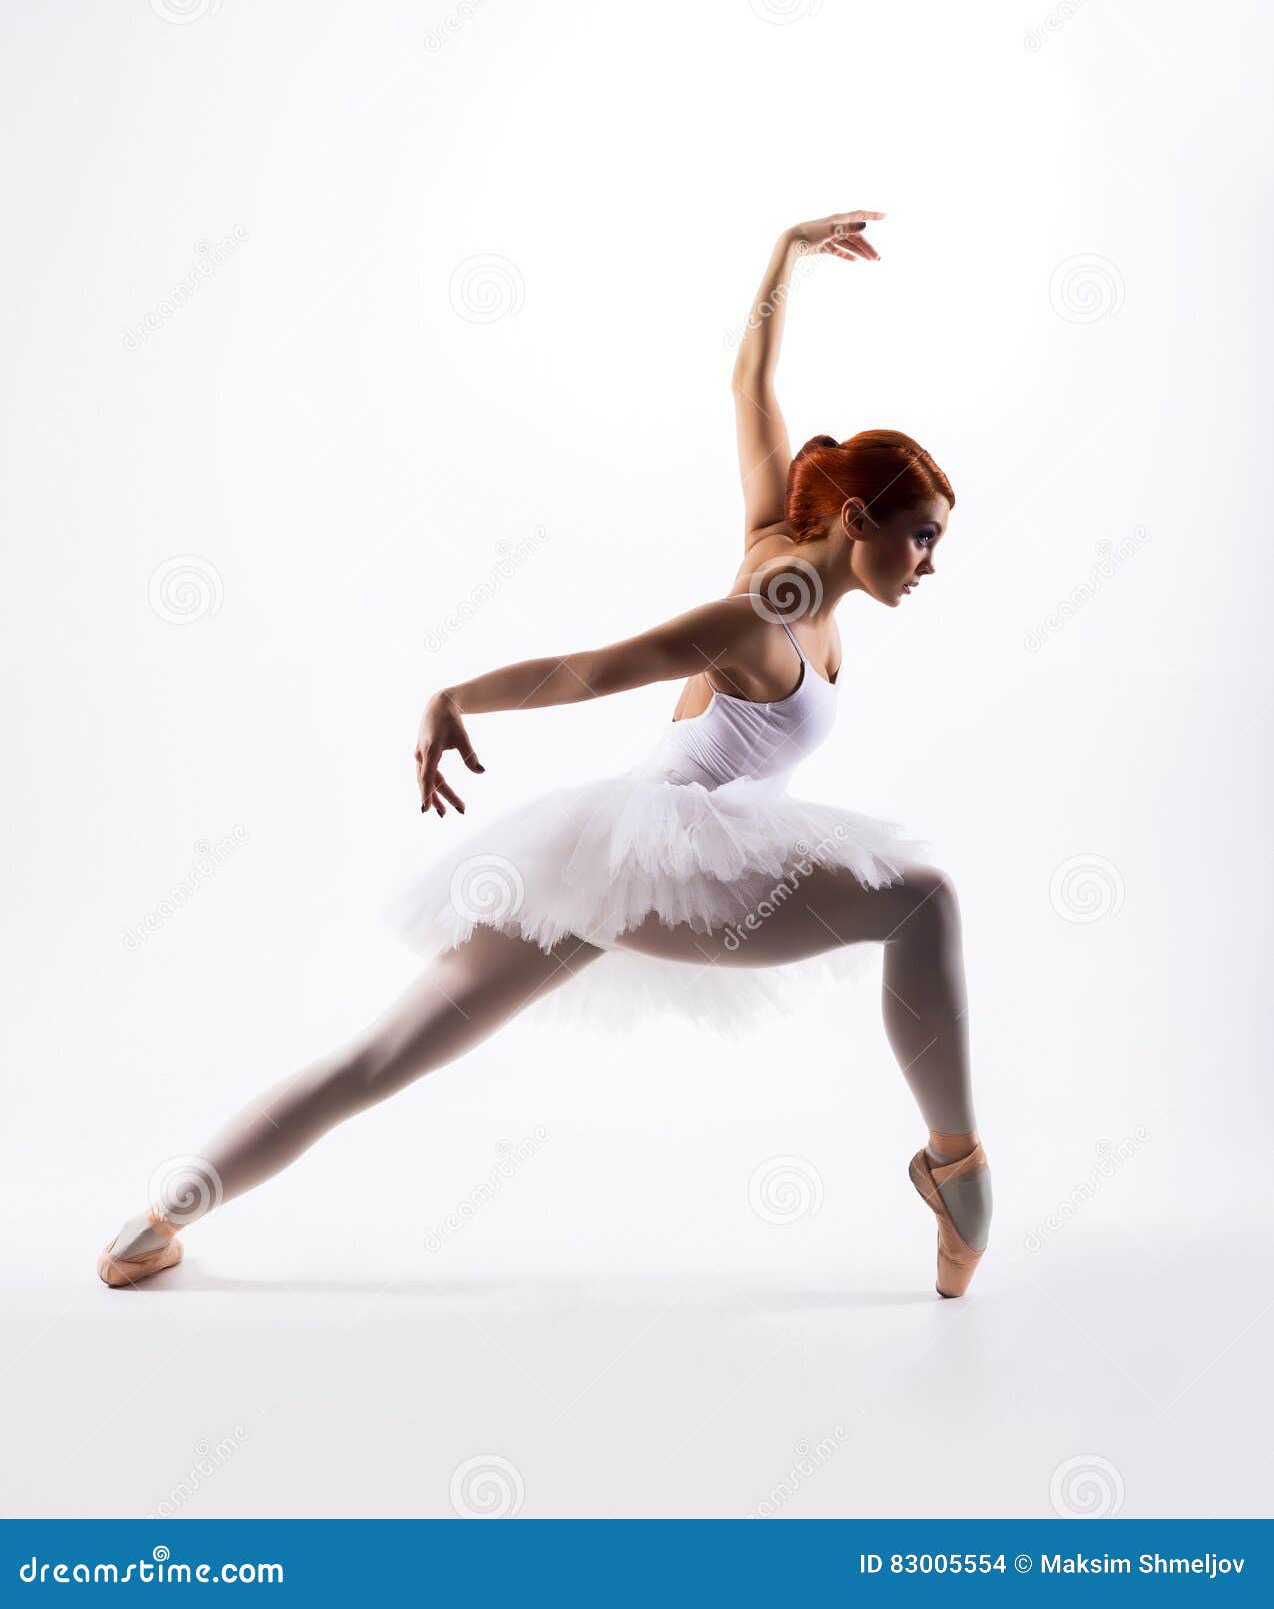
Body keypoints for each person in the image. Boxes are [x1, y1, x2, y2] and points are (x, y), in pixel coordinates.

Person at [98, 211, 991, 1299]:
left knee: (387, 1055)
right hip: (676, 853)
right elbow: (590, 670)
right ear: (857, 517)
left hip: (620, 855)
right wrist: (453, 696)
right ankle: (957, 1169)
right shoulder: (763, 610)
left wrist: (783, 254)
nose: (931, 561)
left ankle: (156, 1221)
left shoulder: (777, 541)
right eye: (924, 534)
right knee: (920, 897)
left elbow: (748, 392)